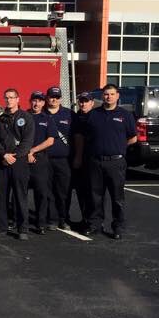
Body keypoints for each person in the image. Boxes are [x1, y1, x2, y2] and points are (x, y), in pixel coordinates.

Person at [74, 84, 137, 240]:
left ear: (117, 96)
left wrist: (119, 148)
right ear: (102, 97)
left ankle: (118, 227)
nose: (108, 97)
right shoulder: (93, 115)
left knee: (117, 197)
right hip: (95, 162)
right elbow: (82, 136)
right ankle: (95, 224)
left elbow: (133, 138)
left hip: (116, 163)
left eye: (111, 94)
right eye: (106, 94)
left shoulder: (125, 115)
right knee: (95, 196)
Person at [0, 88, 34, 240]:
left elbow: (28, 141)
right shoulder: (0, 118)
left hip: (19, 162)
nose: (9, 100)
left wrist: (14, 156)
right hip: (2, 162)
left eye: (12, 97)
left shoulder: (26, 117)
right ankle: (1, 227)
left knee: (20, 196)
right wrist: (4, 154)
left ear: (18, 99)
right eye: (6, 97)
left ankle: (23, 229)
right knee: (1, 196)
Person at [43, 86, 74, 229]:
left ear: (60, 98)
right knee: (48, 191)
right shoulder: (40, 114)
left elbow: (77, 137)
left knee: (63, 191)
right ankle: (52, 219)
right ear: (47, 97)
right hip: (45, 159)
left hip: (63, 160)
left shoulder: (69, 114)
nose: (53, 99)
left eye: (56, 97)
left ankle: (63, 218)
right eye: (51, 96)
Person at [26, 90, 53, 234]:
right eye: (34, 100)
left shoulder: (47, 118)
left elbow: (50, 140)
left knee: (41, 193)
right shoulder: (23, 116)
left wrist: (33, 151)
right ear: (30, 101)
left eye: (40, 101)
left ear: (44, 103)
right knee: (20, 192)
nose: (37, 103)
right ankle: (20, 222)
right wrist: (26, 152)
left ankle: (40, 223)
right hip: (23, 159)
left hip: (40, 160)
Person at [70, 92, 95, 228]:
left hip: (93, 160)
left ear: (92, 102)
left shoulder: (97, 116)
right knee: (81, 191)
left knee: (93, 193)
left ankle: (94, 222)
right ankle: (85, 219)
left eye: (86, 101)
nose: (83, 103)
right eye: (81, 101)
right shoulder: (75, 117)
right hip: (78, 160)